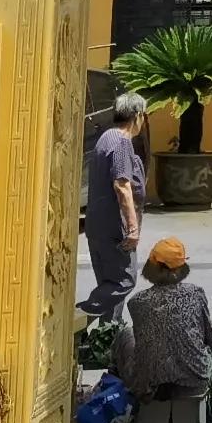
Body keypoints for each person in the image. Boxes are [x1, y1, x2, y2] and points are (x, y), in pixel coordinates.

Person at [120, 239, 212, 402]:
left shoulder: (136, 302)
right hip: (195, 381)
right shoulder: (196, 293)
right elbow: (210, 338)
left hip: (150, 387)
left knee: (124, 335)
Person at [82, 92, 148, 322]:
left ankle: (107, 336)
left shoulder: (106, 137)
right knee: (124, 281)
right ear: (138, 116)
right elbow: (122, 185)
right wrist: (132, 228)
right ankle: (82, 314)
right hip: (114, 229)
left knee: (109, 283)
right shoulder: (121, 142)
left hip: (97, 226)